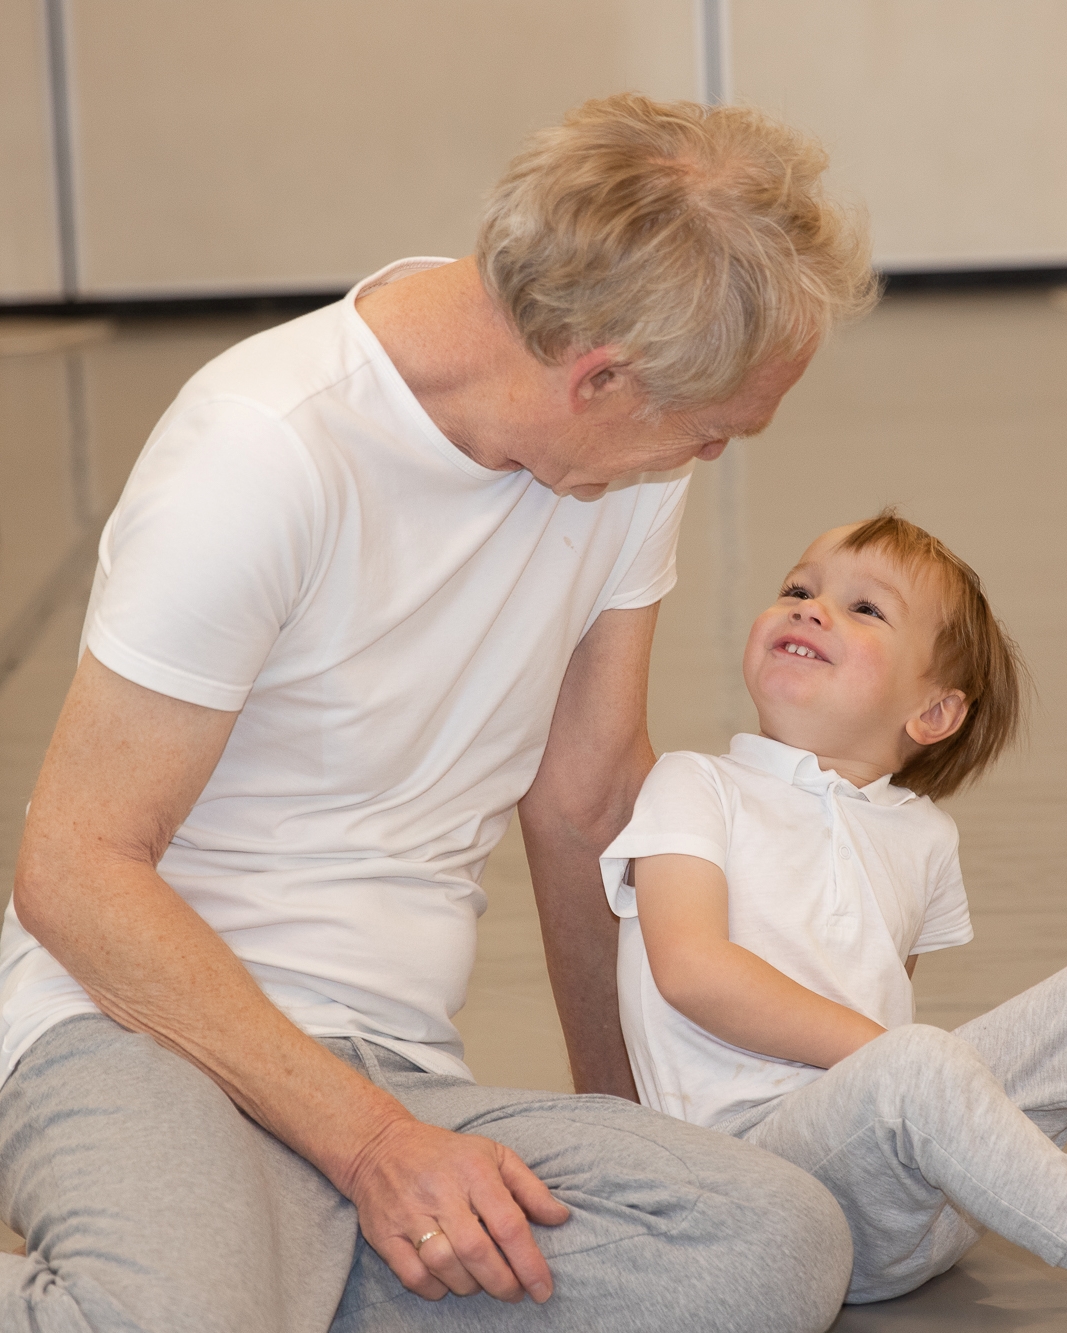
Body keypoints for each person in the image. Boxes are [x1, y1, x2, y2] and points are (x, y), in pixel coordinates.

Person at [0, 95, 879, 1332]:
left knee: (768, 1243)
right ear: (601, 377)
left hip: (395, 1071)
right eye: (710, 433)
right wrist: (369, 1151)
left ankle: (231, 1263)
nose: (710, 456)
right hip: (141, 1029)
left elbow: (586, 803)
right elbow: (75, 867)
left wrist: (629, 1139)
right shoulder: (263, 452)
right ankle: (202, 1261)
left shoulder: (625, 463)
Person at [602, 510, 1067, 1333]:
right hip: (759, 1190)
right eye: (797, 588)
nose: (811, 608)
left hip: (911, 1192)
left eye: (864, 607)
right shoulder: (694, 784)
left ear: (932, 712)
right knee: (915, 1059)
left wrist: (908, 1073)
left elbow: (883, 991)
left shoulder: (921, 835)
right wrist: (890, 1058)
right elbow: (690, 970)